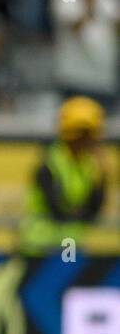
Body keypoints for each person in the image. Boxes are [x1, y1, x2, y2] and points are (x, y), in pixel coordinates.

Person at [21, 95, 109, 255]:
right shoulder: (49, 164)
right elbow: (56, 210)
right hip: (40, 249)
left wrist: (103, 174)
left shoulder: (90, 166)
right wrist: (79, 213)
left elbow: (95, 209)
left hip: (70, 248)